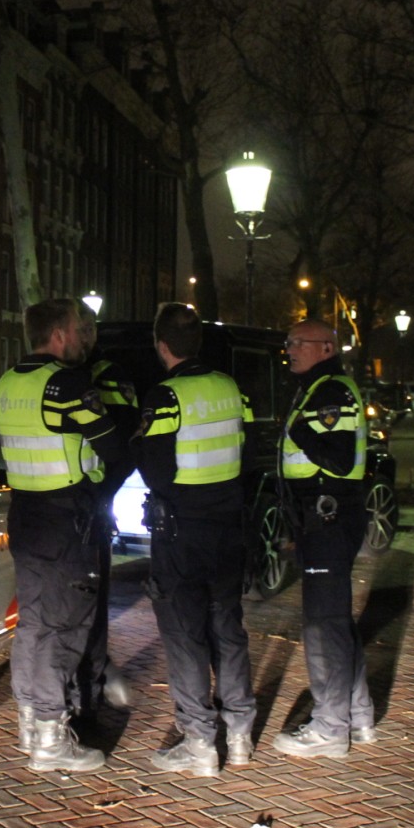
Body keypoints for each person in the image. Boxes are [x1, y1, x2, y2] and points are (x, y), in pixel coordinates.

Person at [0, 297, 128, 773]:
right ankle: (51, 736)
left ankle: (30, 718)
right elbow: (111, 444)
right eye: (76, 330)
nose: (81, 338)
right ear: (58, 336)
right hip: (66, 517)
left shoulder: (8, 381)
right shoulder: (65, 384)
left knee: (33, 621)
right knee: (67, 624)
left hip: (26, 513)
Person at [134, 302, 257, 776]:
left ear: (161, 346)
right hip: (228, 525)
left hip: (181, 531)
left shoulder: (165, 396)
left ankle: (200, 743)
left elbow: (158, 470)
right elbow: (244, 454)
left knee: (185, 636)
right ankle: (241, 734)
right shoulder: (231, 388)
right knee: (227, 628)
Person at [272, 319, 377, 759]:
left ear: (327, 347)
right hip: (322, 518)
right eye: (289, 341)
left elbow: (335, 459)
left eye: (299, 342)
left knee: (322, 626)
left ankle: (330, 729)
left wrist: (298, 432)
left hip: (328, 517)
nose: (290, 349)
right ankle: (358, 712)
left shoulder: (331, 391)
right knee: (334, 620)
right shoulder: (318, 388)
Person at [70, 301, 138, 718]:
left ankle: (89, 690)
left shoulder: (109, 377)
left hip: (90, 509)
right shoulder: (59, 379)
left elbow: (125, 447)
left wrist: (101, 495)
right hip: (59, 510)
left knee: (91, 605)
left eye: (84, 330)